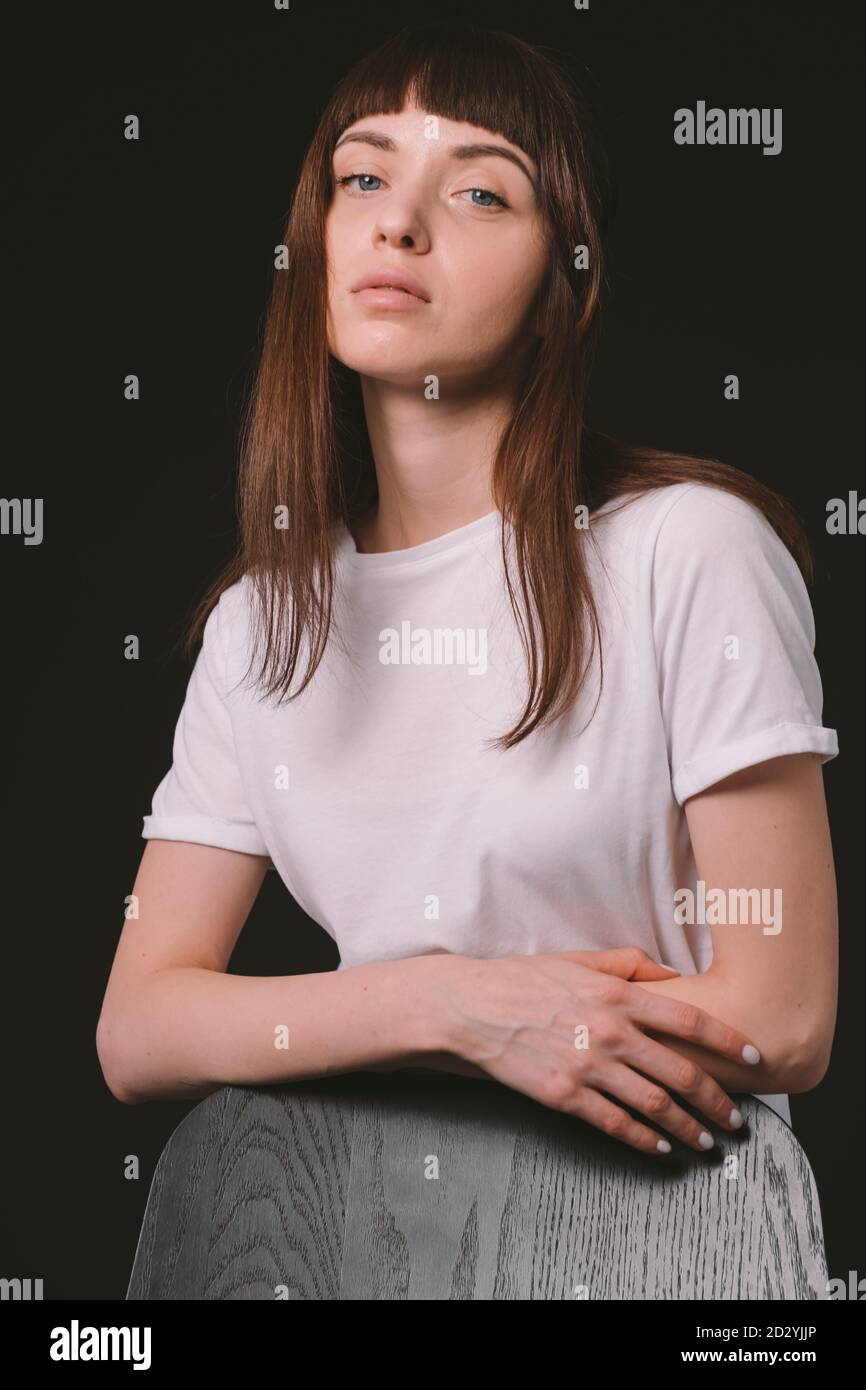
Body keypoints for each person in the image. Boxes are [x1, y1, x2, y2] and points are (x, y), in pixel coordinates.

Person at [96, 25, 839, 1159]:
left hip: (667, 1234)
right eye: (363, 177)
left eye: (481, 194)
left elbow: (783, 1018)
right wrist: (454, 1007)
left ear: (562, 279)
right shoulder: (261, 625)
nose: (399, 221)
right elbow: (139, 1025)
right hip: (361, 1232)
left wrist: (448, 1024)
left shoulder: (687, 551)